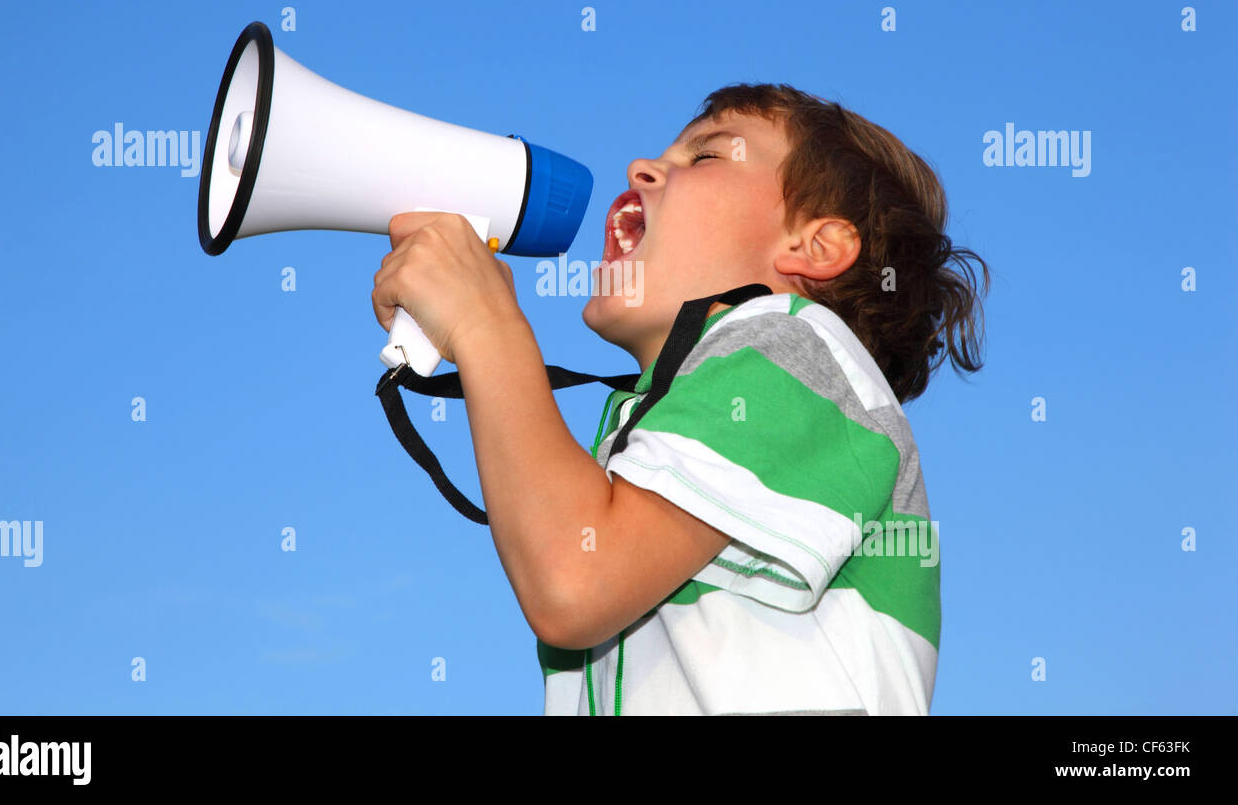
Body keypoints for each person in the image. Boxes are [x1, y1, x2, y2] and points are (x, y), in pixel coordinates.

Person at [371, 83, 989, 714]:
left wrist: (485, 325)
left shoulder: (795, 343)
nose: (642, 168)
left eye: (707, 157)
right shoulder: (658, 422)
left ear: (815, 246)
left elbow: (575, 582)